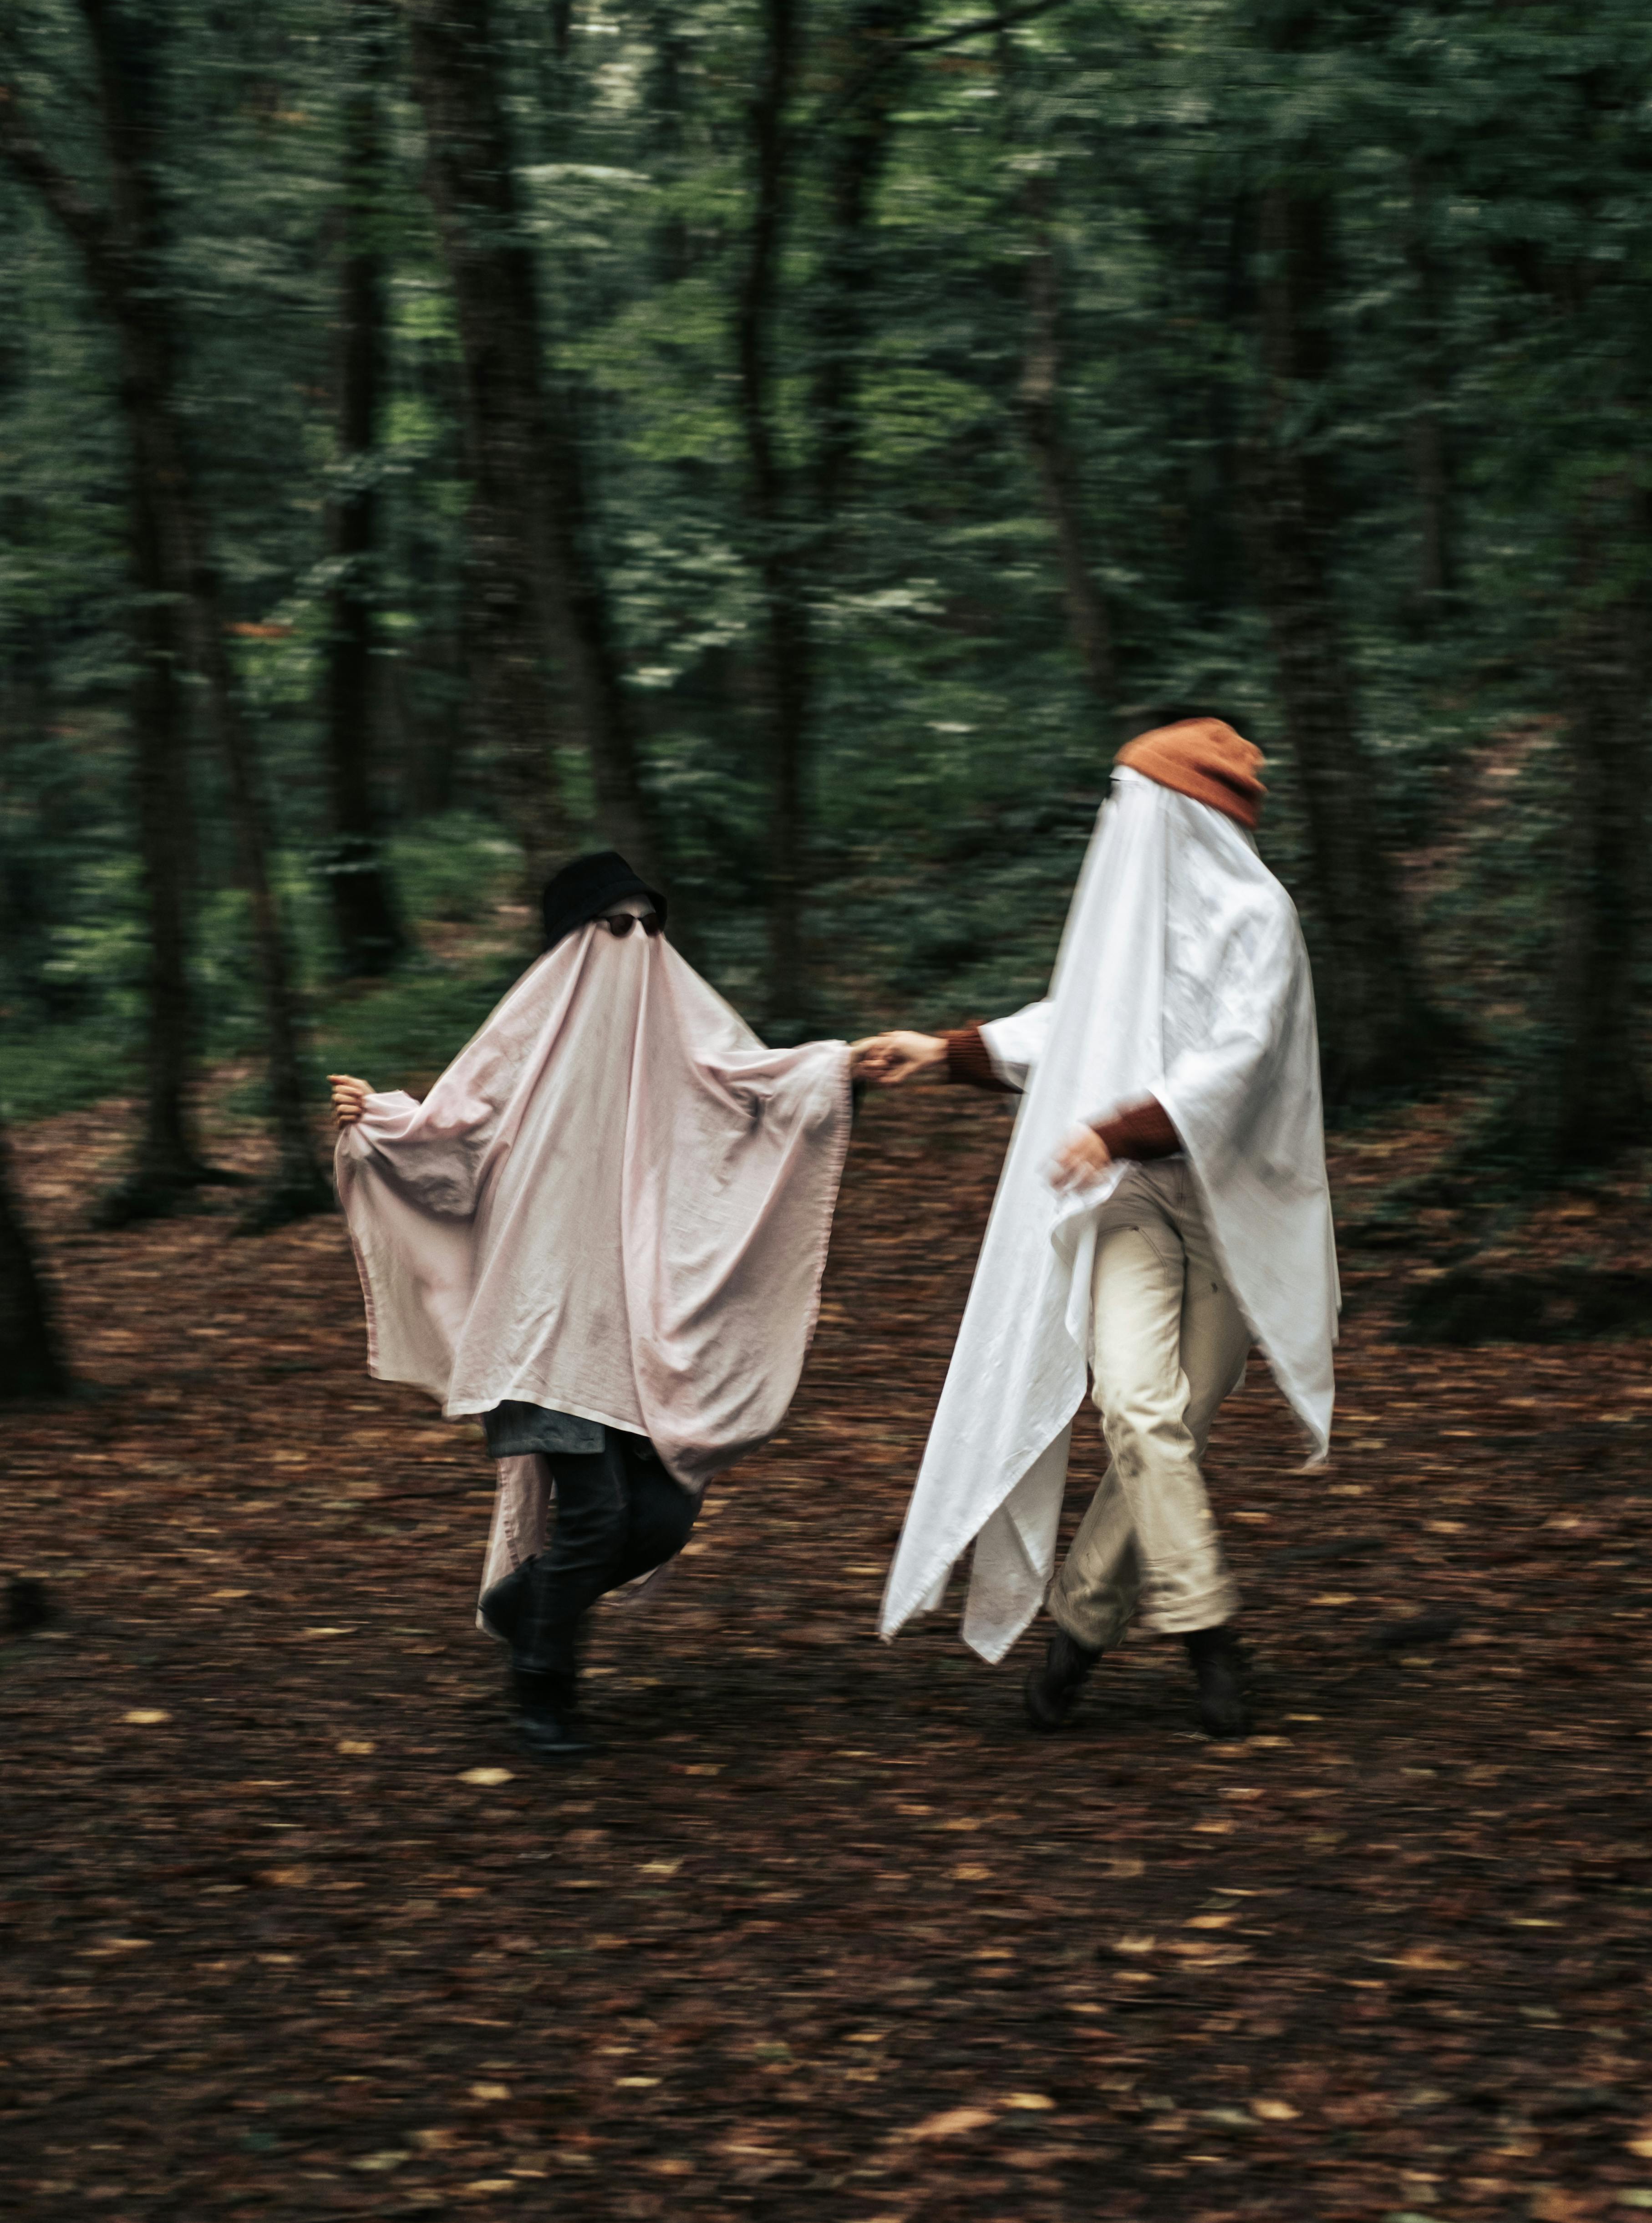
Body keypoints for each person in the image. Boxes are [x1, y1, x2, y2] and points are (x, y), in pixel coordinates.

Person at [855, 713, 1337, 1740]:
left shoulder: (1259, 917)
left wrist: (1114, 1129)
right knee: (1135, 1406)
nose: (1114, 822)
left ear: (1181, 815)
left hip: (1234, 1215)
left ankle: (1075, 1635)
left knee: (1164, 1437)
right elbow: (1070, 1023)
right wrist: (941, 1052)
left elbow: (1238, 1063)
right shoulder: (1131, 918)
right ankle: (1210, 1633)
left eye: (1133, 802)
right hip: (1127, 1205)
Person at [331, 850, 853, 1761]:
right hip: (541, 1321)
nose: (638, 942)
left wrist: (845, 1073)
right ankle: (544, 1686)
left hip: (645, 1324)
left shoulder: (682, 1040)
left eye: (652, 924)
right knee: (600, 1516)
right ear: (574, 940)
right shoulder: (521, 1042)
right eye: (616, 924)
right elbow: (448, 1140)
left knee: (661, 1515)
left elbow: (751, 1097)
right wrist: (375, 1118)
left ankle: (523, 1604)